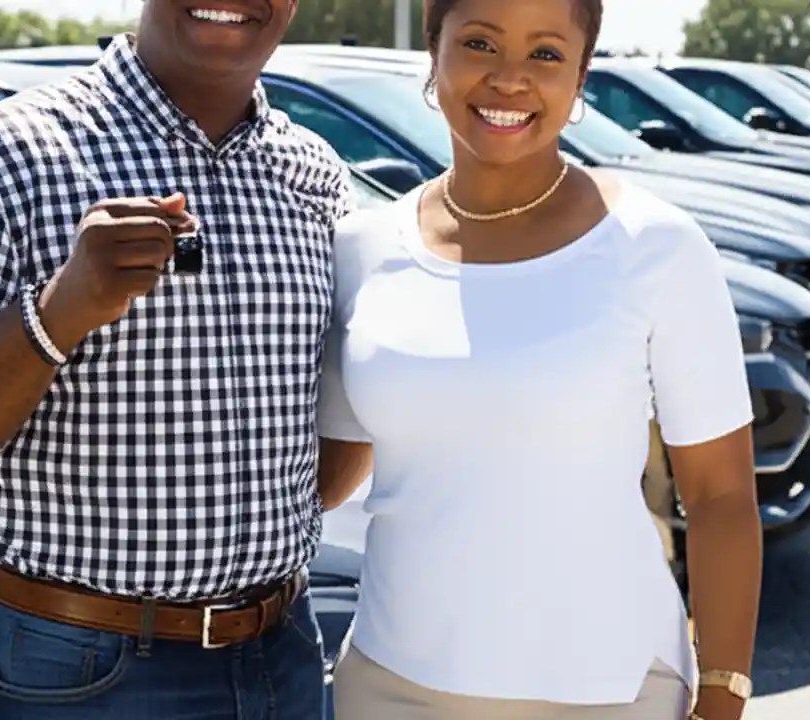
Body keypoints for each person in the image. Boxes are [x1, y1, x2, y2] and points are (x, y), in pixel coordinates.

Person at [0, 1, 372, 717]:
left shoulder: (312, 174)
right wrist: (59, 311)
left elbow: (328, 451)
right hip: (82, 671)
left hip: (281, 654)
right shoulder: (4, 155)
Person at [317, 1, 762, 719]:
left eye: (546, 55)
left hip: (608, 690)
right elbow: (324, 475)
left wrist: (722, 694)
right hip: (392, 683)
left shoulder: (656, 248)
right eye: (480, 43)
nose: (509, 79)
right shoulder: (362, 248)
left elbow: (720, 498)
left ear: (583, 74)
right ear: (434, 54)